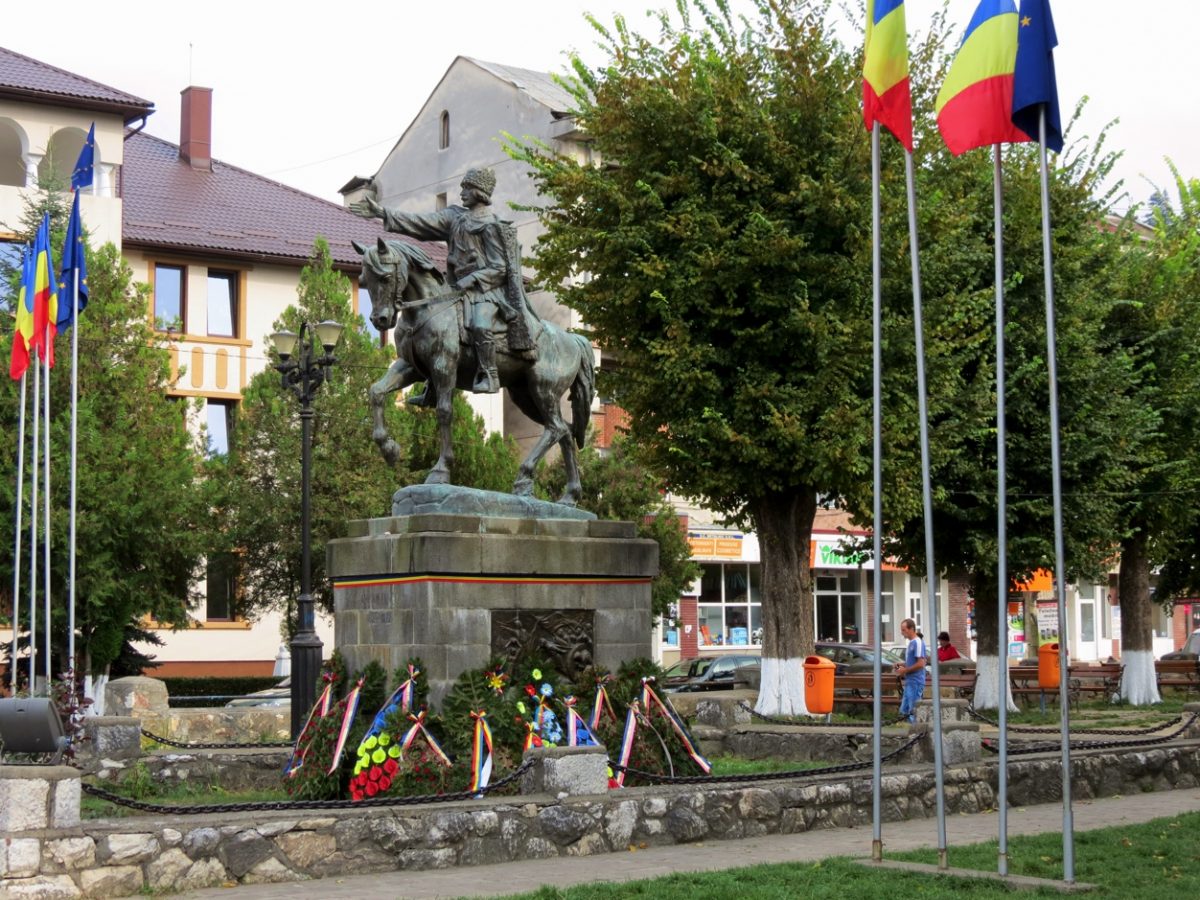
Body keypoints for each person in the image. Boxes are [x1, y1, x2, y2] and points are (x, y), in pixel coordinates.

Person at [350, 167, 534, 397]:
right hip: (455, 288)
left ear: (480, 192)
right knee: (435, 325)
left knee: (480, 324)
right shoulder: (454, 217)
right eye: (464, 186)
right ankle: (432, 386)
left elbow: (499, 268)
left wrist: (472, 279)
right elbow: (420, 223)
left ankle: (489, 373)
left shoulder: (492, 226)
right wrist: (383, 212)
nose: (462, 191)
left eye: (467, 187)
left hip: (485, 291)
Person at [893, 617, 927, 723]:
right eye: (902, 630)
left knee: (914, 711)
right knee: (904, 711)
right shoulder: (911, 643)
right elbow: (912, 663)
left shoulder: (918, 642)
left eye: (904, 630)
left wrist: (905, 670)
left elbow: (921, 663)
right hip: (910, 682)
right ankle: (913, 733)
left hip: (916, 682)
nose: (902, 633)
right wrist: (900, 664)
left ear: (911, 629)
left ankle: (918, 734)